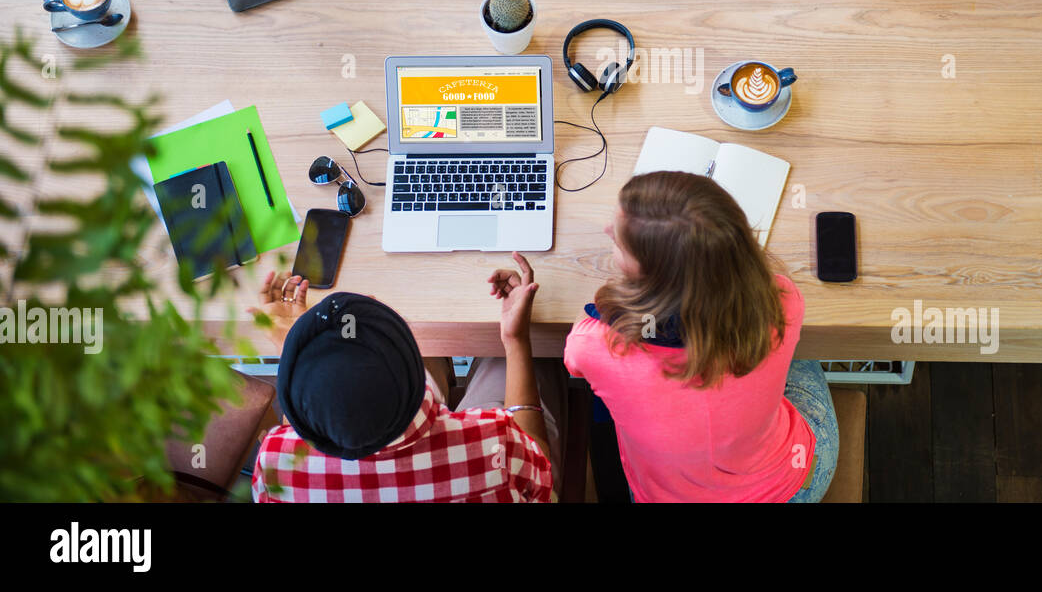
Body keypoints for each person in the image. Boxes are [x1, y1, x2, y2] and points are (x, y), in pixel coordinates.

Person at [563, 171, 838, 502]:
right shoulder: (782, 299)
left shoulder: (598, 345)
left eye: (618, 241)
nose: (607, 230)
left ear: (655, 282)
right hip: (792, 484)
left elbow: (582, 341)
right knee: (802, 355)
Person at [250, 254, 567, 502]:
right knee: (523, 363)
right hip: (500, 464)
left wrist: (299, 350)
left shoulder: (276, 460)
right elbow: (538, 468)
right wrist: (516, 340)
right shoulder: (496, 442)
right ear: (418, 381)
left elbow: (325, 407)